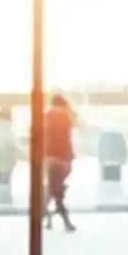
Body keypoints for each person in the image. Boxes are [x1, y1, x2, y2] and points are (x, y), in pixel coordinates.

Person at [43, 95, 76, 232]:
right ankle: (63, 219)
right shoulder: (66, 119)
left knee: (54, 191)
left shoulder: (47, 118)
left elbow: (44, 140)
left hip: (52, 159)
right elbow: (68, 142)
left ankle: (45, 215)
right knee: (56, 191)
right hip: (63, 160)